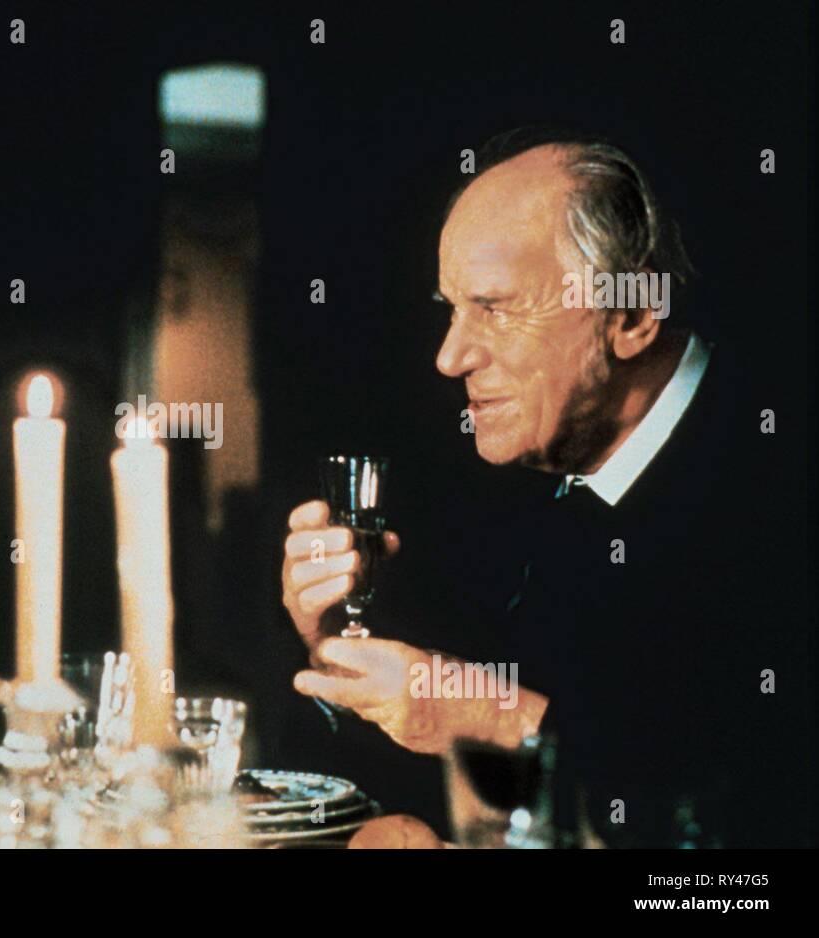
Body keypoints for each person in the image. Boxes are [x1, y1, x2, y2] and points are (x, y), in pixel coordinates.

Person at [281, 129, 810, 846]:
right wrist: (342, 633)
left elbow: (752, 831)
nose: (448, 356)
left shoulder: (777, 481)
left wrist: (493, 720)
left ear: (630, 315)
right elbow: (427, 754)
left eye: (494, 307)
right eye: (451, 308)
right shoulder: (515, 458)